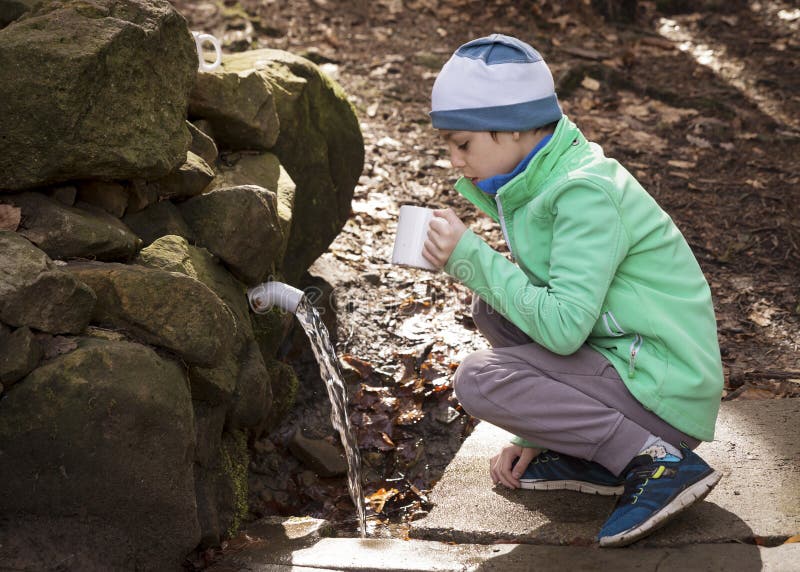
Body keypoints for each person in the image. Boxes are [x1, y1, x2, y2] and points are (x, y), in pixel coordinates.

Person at [422, 33, 724, 547]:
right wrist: (536, 433)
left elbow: (562, 331)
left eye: (462, 143)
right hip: (625, 364)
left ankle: (656, 460)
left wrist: (470, 256)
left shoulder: (584, 192)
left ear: (513, 130)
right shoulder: (542, 179)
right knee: (492, 308)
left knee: (476, 378)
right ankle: (607, 453)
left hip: (662, 385)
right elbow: (551, 314)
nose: (454, 160)